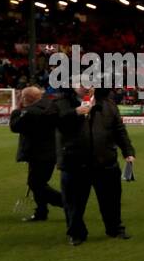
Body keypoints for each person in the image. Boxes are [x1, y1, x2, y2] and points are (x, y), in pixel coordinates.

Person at [55, 87, 135, 246]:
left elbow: (119, 129)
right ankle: (76, 233)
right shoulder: (61, 103)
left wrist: (128, 151)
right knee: (74, 204)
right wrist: (74, 113)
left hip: (105, 161)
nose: (85, 87)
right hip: (74, 163)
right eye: (80, 82)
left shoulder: (108, 104)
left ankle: (115, 229)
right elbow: (51, 123)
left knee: (111, 201)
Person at [8, 86, 63, 222]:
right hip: (50, 152)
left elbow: (15, 126)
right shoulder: (50, 106)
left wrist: (16, 111)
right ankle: (41, 212)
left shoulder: (30, 111)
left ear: (27, 99)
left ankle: (66, 202)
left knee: (36, 184)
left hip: (38, 153)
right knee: (38, 183)